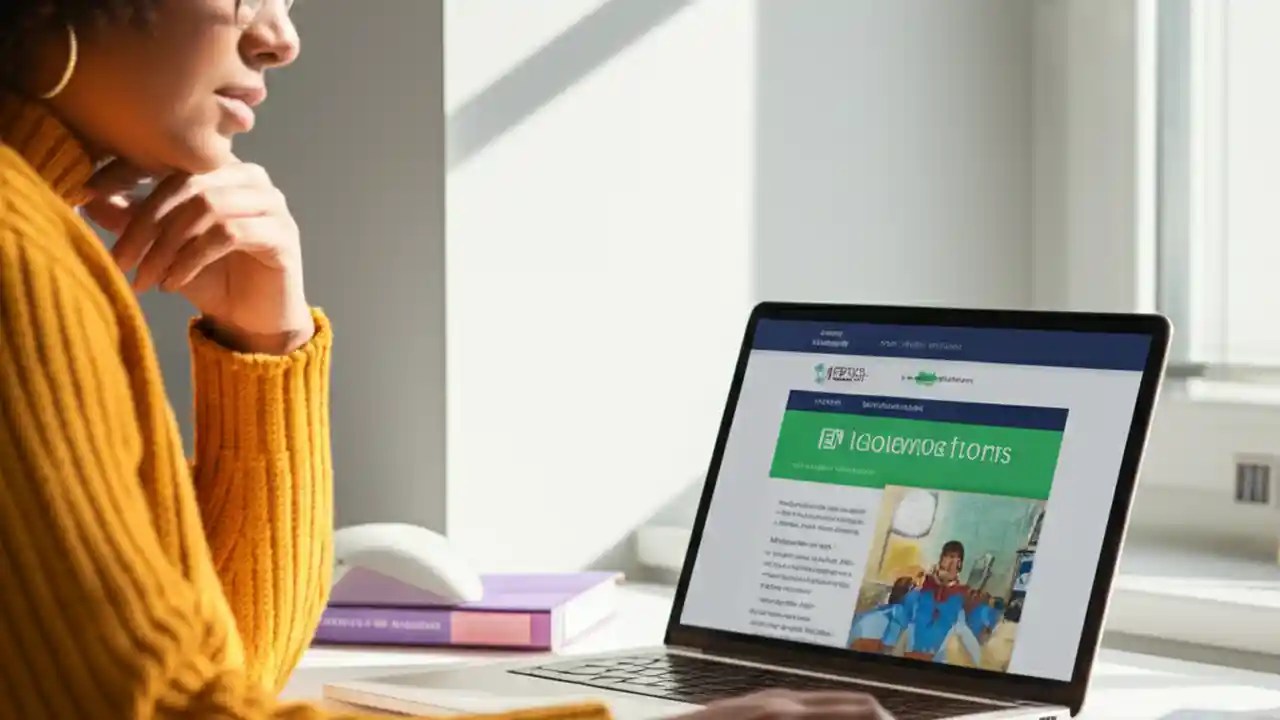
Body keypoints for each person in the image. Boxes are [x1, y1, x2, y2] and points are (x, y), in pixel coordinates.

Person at [0, 2, 891, 718]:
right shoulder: (18, 251)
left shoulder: (37, 229)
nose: (279, 37)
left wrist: (266, 342)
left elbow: (229, 671)